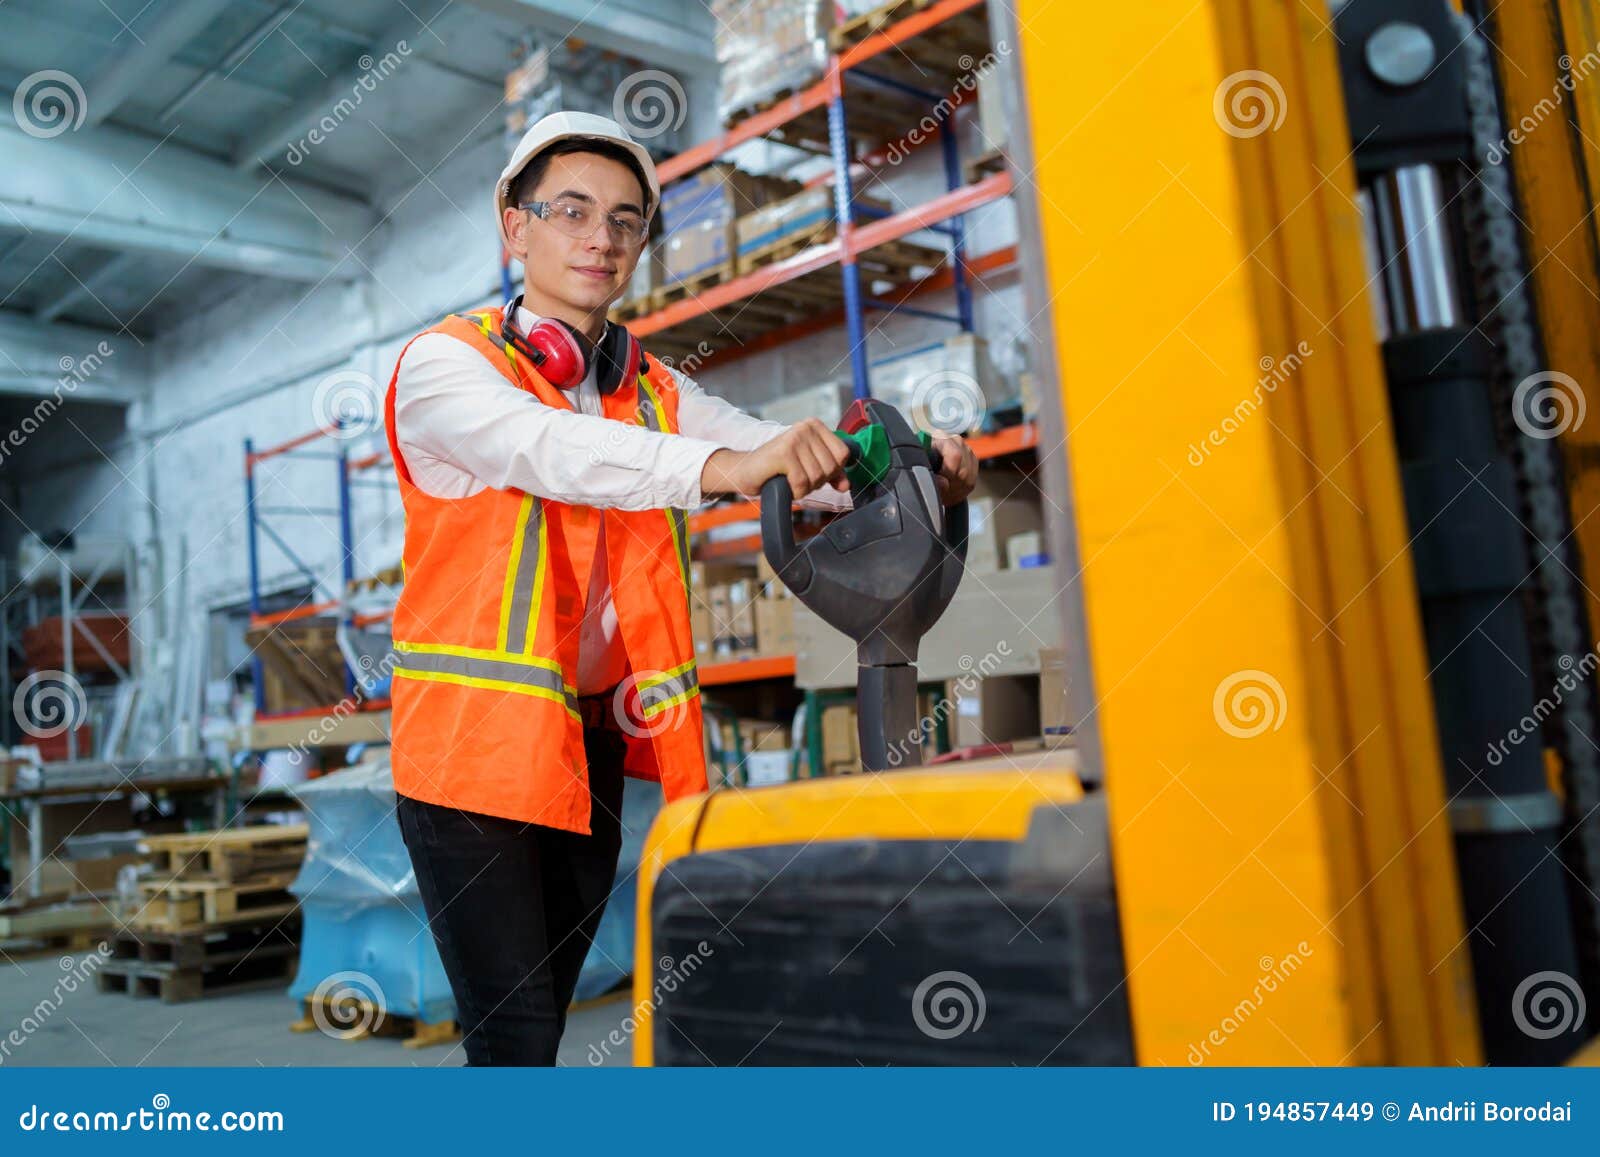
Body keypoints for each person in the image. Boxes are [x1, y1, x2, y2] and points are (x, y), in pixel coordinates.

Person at [382, 110, 978, 1066]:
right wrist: (729, 466)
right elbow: (558, 452)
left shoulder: (650, 390)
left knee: (544, 1019)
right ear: (514, 225)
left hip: (589, 742)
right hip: (469, 753)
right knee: (515, 1035)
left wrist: (899, 464)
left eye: (625, 220)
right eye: (570, 210)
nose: (600, 238)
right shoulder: (445, 369)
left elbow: (774, 450)